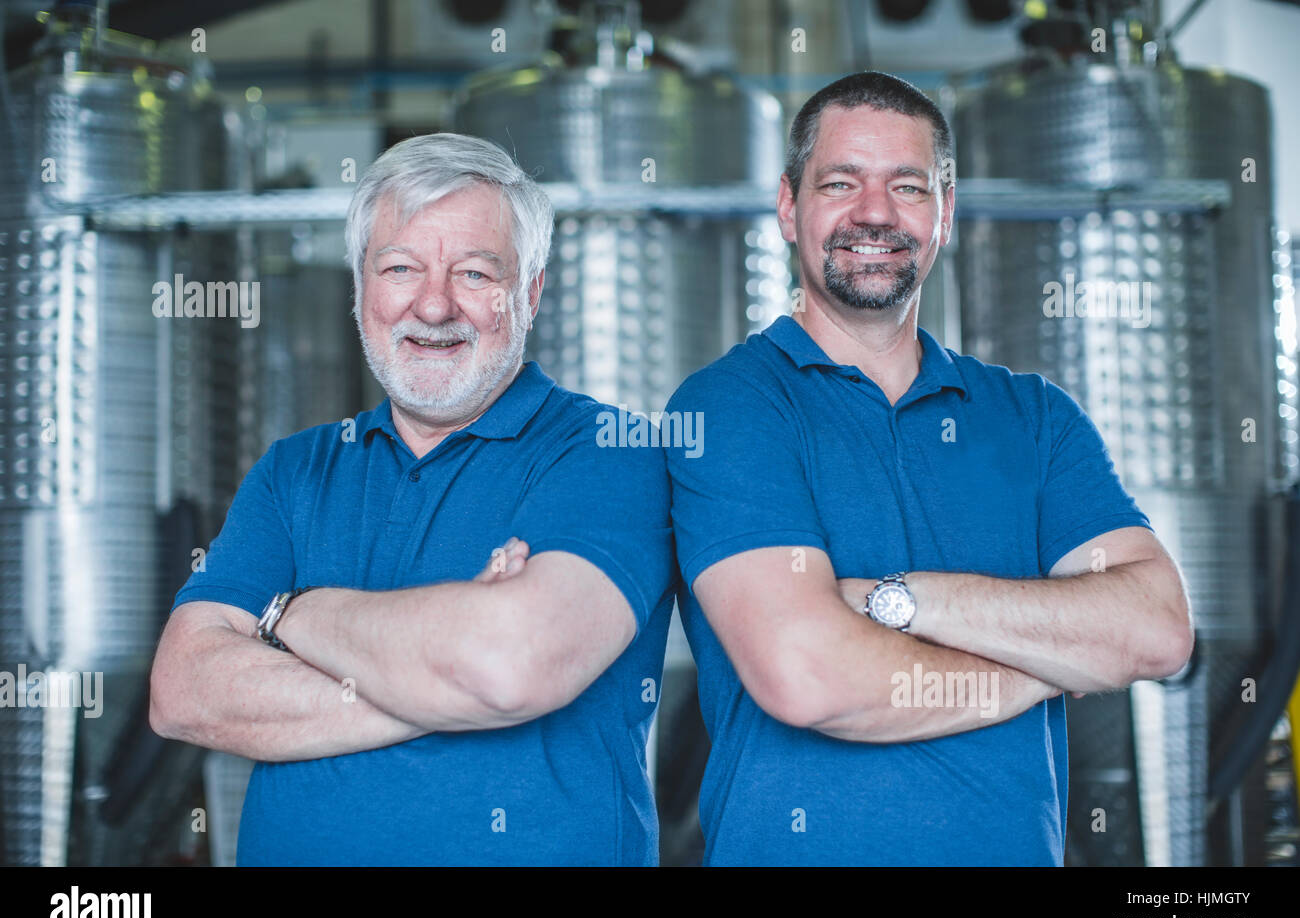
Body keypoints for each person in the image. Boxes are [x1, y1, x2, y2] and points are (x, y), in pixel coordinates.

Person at [662, 71, 1193, 865]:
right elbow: (805, 675)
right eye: (841, 183)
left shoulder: (1034, 417)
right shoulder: (729, 408)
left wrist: (898, 602)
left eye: (907, 187)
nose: (874, 213)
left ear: (944, 213)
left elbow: (1156, 631)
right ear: (787, 206)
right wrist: (1043, 667)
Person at [150, 133, 676, 866]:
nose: (433, 305)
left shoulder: (610, 453)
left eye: (473, 272)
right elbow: (183, 691)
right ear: (361, 288)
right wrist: (444, 674)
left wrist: (291, 613)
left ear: (528, 292)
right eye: (400, 268)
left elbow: (506, 666)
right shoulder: (296, 471)